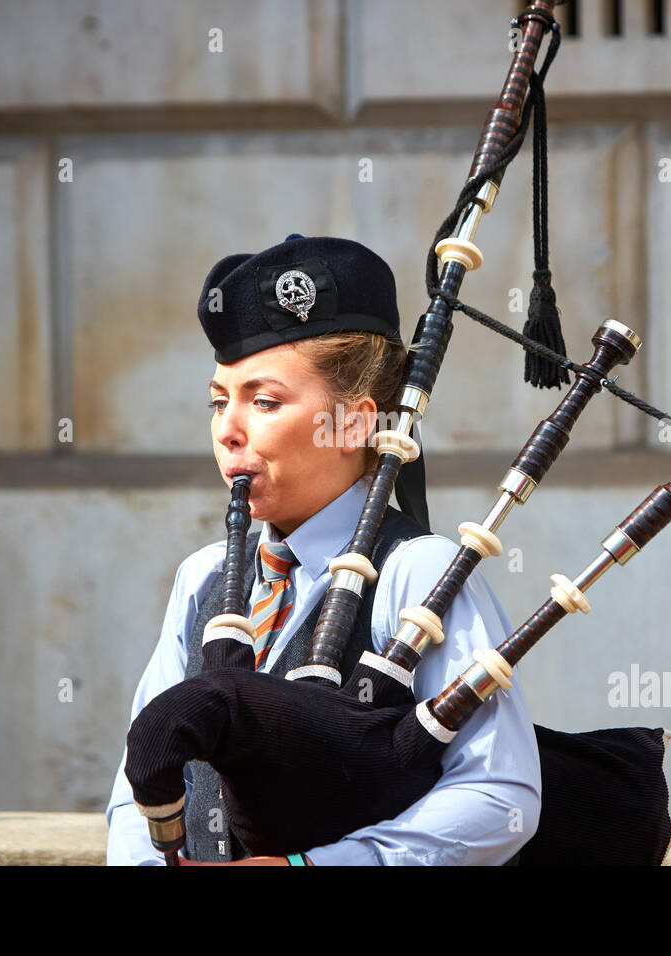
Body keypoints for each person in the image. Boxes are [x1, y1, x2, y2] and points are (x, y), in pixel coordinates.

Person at [105, 234, 541, 865]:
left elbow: (499, 795)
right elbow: (139, 769)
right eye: (218, 401)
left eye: (265, 401)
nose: (228, 430)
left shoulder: (415, 571)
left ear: (356, 421)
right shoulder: (202, 579)